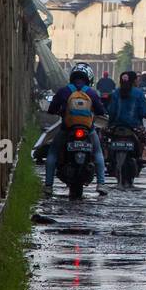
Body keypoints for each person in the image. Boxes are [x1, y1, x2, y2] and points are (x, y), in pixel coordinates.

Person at [44, 63, 108, 195]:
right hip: (88, 130)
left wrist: (59, 111)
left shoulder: (64, 91)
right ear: (89, 78)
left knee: (53, 153)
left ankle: (48, 185)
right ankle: (101, 184)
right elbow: (101, 111)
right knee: (97, 152)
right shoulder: (91, 92)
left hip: (67, 129)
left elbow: (51, 110)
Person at [107, 70, 146, 163]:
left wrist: (111, 123)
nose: (138, 81)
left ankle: (105, 154)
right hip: (135, 127)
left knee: (102, 134)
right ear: (134, 81)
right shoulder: (139, 93)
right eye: (137, 79)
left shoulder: (116, 93)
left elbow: (111, 111)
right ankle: (144, 156)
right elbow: (143, 112)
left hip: (116, 127)